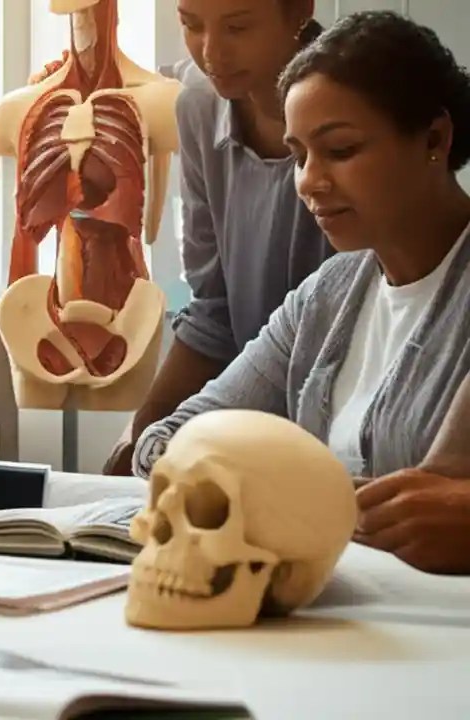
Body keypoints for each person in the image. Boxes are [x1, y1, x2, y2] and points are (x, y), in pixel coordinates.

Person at [133, 11, 470, 574]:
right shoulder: (325, 298)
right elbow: (168, 440)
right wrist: (282, 489)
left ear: (433, 138)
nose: (310, 180)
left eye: (340, 151)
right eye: (299, 155)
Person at [105, 0, 334, 474]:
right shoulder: (197, 103)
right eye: (190, 25)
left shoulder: (354, 102)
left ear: (299, 13)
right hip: (244, 407)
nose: (212, 53)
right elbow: (215, 312)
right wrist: (138, 434)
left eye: (238, 27)